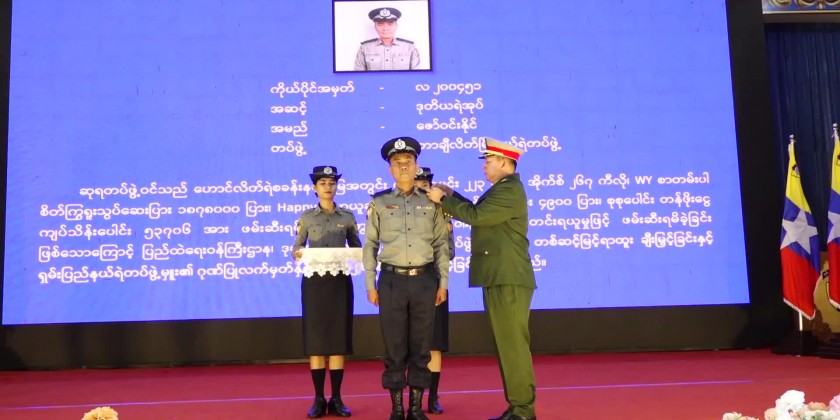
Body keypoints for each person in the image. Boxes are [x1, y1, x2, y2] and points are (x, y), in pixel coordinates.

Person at [426, 138, 537, 420]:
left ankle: (523, 409)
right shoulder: (502, 189)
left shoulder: (510, 190)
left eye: (488, 160)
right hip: (499, 276)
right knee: (505, 345)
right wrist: (452, 195)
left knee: (512, 344)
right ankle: (516, 406)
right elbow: (478, 209)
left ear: (503, 161)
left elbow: (477, 216)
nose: (485, 165)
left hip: (508, 276)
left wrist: (444, 200)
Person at [364, 137, 450, 420]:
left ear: (416, 166)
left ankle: (415, 408)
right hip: (391, 282)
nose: (403, 167)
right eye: (397, 163)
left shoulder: (431, 202)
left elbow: (440, 245)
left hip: (425, 280)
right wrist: (370, 283)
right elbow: (371, 246)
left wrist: (443, 283)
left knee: (421, 346)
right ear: (390, 169)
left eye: (408, 162)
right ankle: (397, 409)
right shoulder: (379, 202)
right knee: (394, 347)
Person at [293, 165, 361, 419]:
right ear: (314, 188)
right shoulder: (307, 217)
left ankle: (338, 398)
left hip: (340, 282)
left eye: (332, 183)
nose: (327, 187)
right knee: (317, 340)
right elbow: (297, 246)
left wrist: (357, 255)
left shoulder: (347, 216)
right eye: (322, 183)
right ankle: (319, 398)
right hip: (314, 284)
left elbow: (357, 247)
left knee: (337, 340)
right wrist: (298, 253)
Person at [414, 167, 455, 415]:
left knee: (435, 343)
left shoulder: (443, 214)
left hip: (435, 279)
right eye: (417, 184)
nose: (422, 188)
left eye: (425, 184)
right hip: (410, 281)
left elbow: (450, 252)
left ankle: (433, 396)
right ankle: (415, 397)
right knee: (413, 342)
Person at [354, 7, 420, 71]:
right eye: (380, 24)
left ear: (396, 26)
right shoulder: (365, 48)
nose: (385, 28)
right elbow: (359, 77)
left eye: (390, 24)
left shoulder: (409, 47)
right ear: (375, 27)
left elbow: (416, 76)